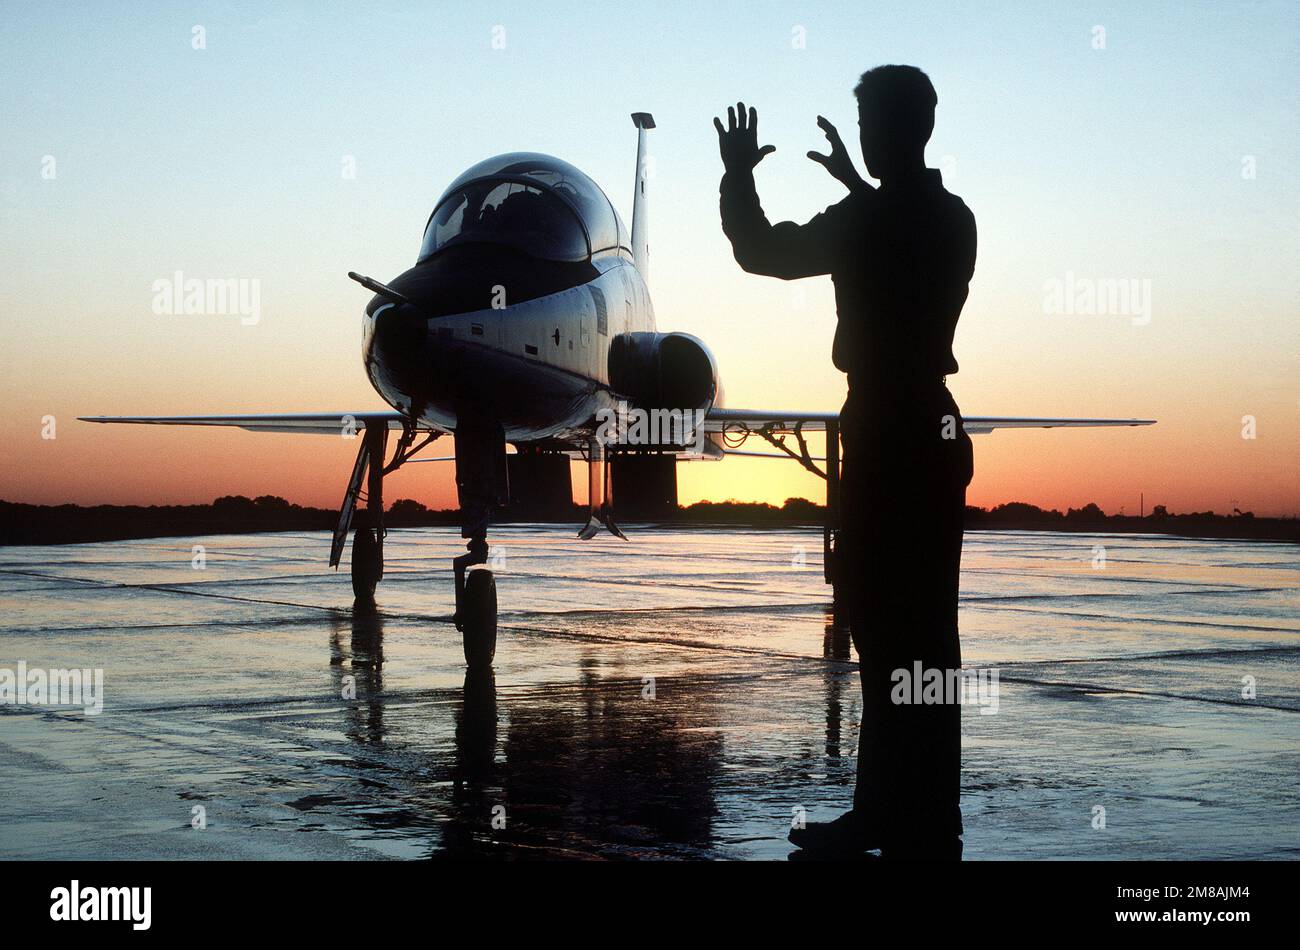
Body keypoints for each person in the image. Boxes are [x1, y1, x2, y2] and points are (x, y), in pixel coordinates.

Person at [714, 65, 976, 859]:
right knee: (929, 637)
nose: (861, 137)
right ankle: (926, 814)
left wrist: (735, 178)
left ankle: (884, 815)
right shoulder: (955, 218)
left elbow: (763, 252)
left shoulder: (864, 223)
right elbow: (900, 225)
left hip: (884, 430)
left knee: (881, 630)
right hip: (933, 426)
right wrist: (857, 185)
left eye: (868, 124)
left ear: (887, 131)